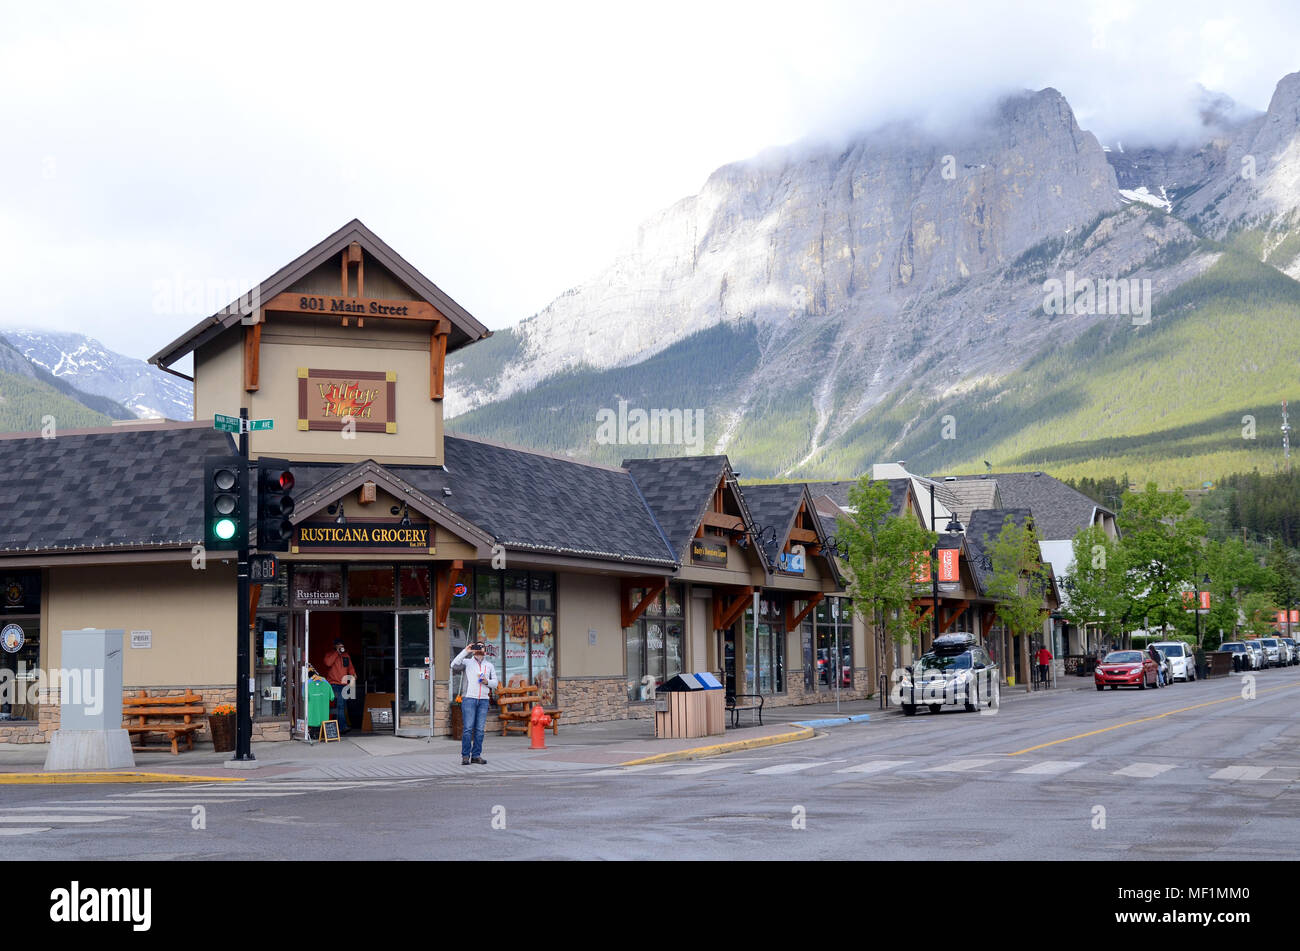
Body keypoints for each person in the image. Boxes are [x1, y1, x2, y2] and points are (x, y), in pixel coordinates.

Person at [452, 641, 497, 765]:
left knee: (480, 730)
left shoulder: (489, 666)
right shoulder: (467, 663)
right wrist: (466, 651)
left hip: (483, 700)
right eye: (476, 647)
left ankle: (476, 755)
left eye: (481, 647)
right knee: (467, 729)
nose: (479, 649)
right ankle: (465, 756)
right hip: (469, 699)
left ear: (485, 650)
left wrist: (487, 682)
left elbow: (496, 683)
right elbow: (453, 665)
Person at [322, 638, 356, 734]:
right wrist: (337, 653)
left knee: (340, 706)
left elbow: (350, 667)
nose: (341, 647)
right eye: (339, 645)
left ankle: (337, 728)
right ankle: (342, 727)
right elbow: (328, 663)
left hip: (344, 685)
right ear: (335, 646)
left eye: (342, 645)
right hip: (334, 684)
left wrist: (353, 674)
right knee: (340, 706)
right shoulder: (330, 655)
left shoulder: (346, 655)